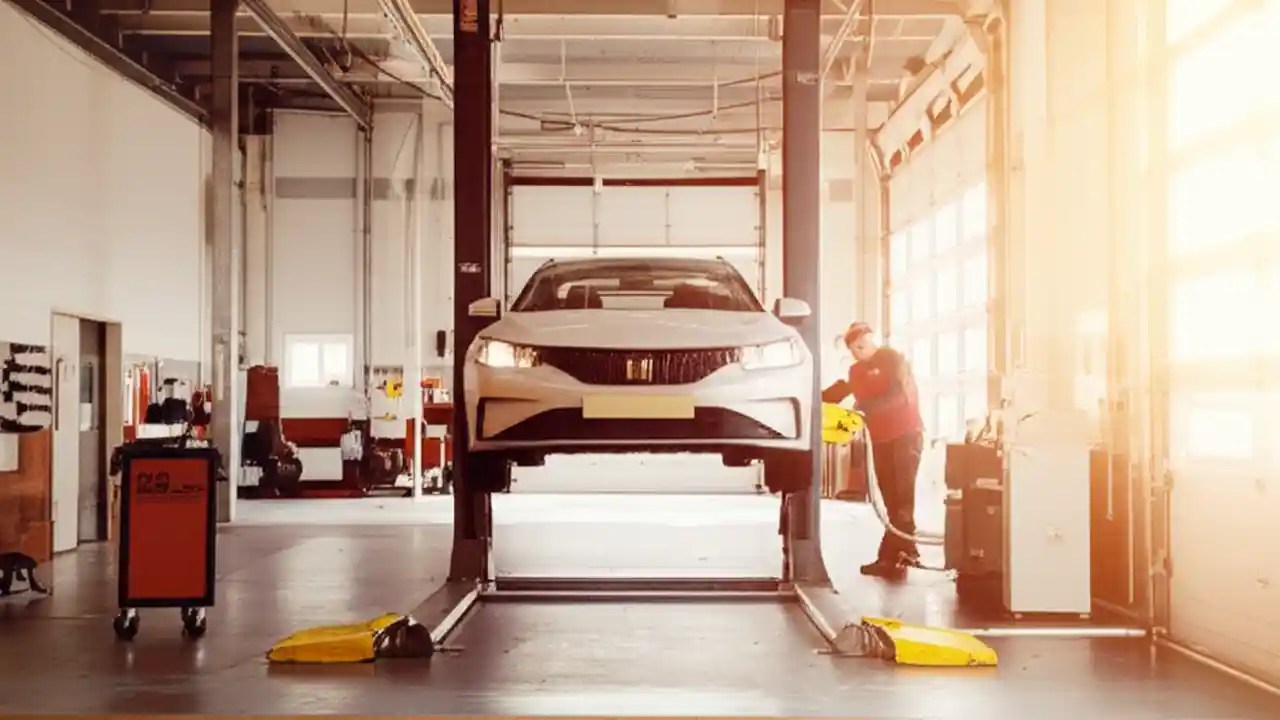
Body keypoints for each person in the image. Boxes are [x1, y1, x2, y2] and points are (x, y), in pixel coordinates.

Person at [822, 321, 924, 577]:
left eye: (862, 344)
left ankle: (891, 557)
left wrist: (863, 408)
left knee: (902, 497)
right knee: (890, 497)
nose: (859, 350)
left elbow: (900, 395)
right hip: (881, 440)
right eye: (854, 348)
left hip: (905, 436)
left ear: (871, 339)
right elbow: (842, 391)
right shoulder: (856, 371)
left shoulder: (892, 360)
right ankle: (906, 551)